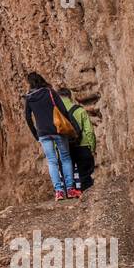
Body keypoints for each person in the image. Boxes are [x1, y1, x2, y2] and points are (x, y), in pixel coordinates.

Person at [22, 72, 83, 201]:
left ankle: (59, 191)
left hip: (43, 133)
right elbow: (63, 110)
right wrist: (71, 126)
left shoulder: (28, 98)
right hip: (57, 130)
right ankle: (70, 189)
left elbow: (27, 118)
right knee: (65, 158)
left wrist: (35, 134)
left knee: (51, 161)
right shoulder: (50, 92)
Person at [57, 87, 96, 191]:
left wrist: (56, 149)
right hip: (83, 146)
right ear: (70, 96)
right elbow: (89, 131)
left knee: (68, 178)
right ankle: (87, 201)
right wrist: (92, 147)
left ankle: (71, 197)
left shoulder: (56, 113)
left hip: (65, 148)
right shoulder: (80, 110)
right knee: (85, 177)